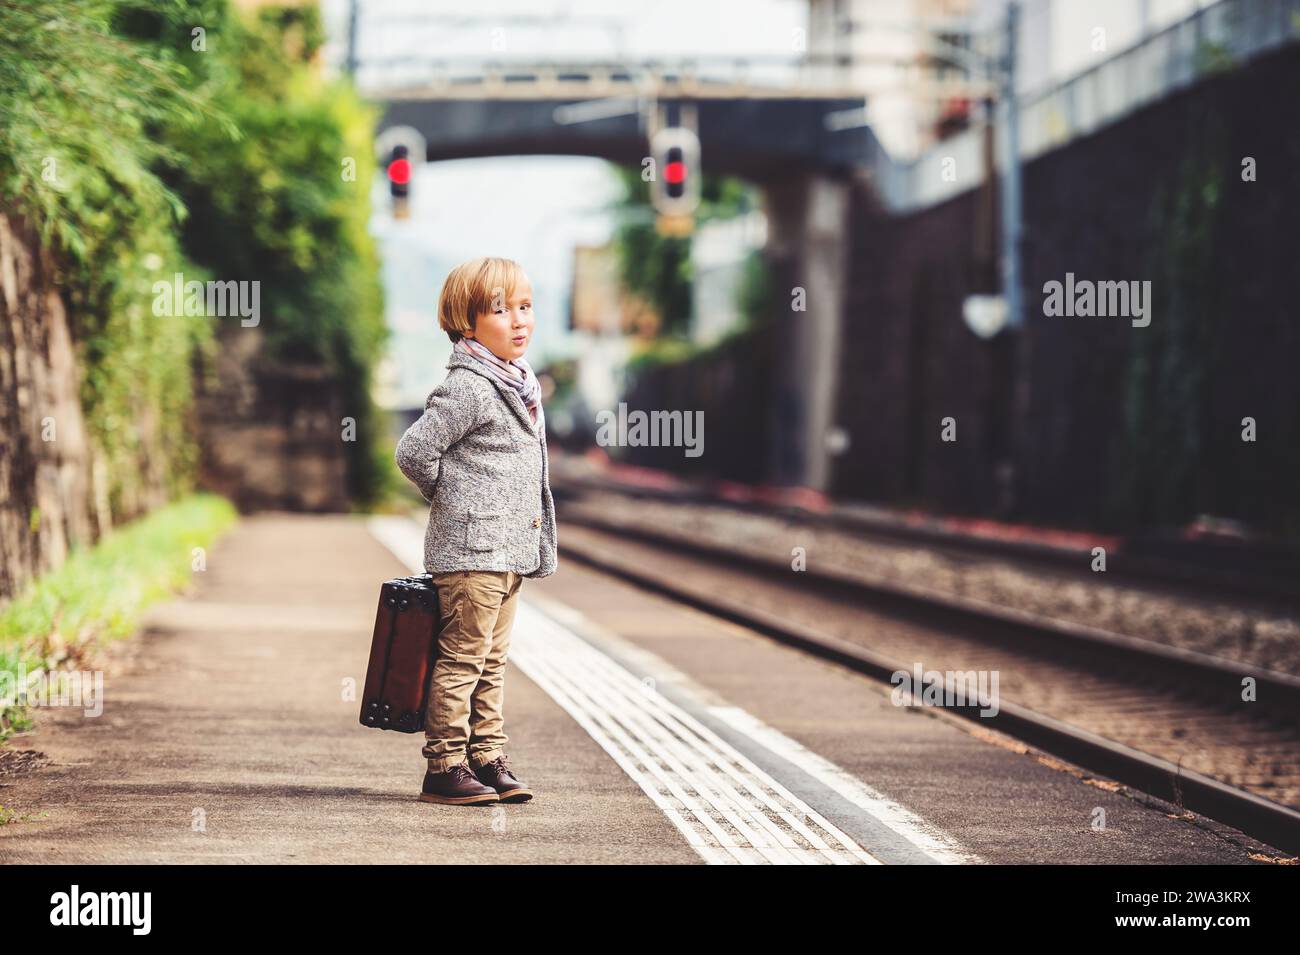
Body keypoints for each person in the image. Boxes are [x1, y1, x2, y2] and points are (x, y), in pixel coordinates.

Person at [394, 256, 557, 806]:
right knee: (462, 659)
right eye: (501, 310)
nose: (519, 320)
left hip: (508, 551)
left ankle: (486, 756)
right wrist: (454, 500)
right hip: (471, 551)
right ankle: (444, 766)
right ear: (468, 323)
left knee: (491, 661)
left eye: (525, 307)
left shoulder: (519, 382)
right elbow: (414, 451)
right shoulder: (471, 386)